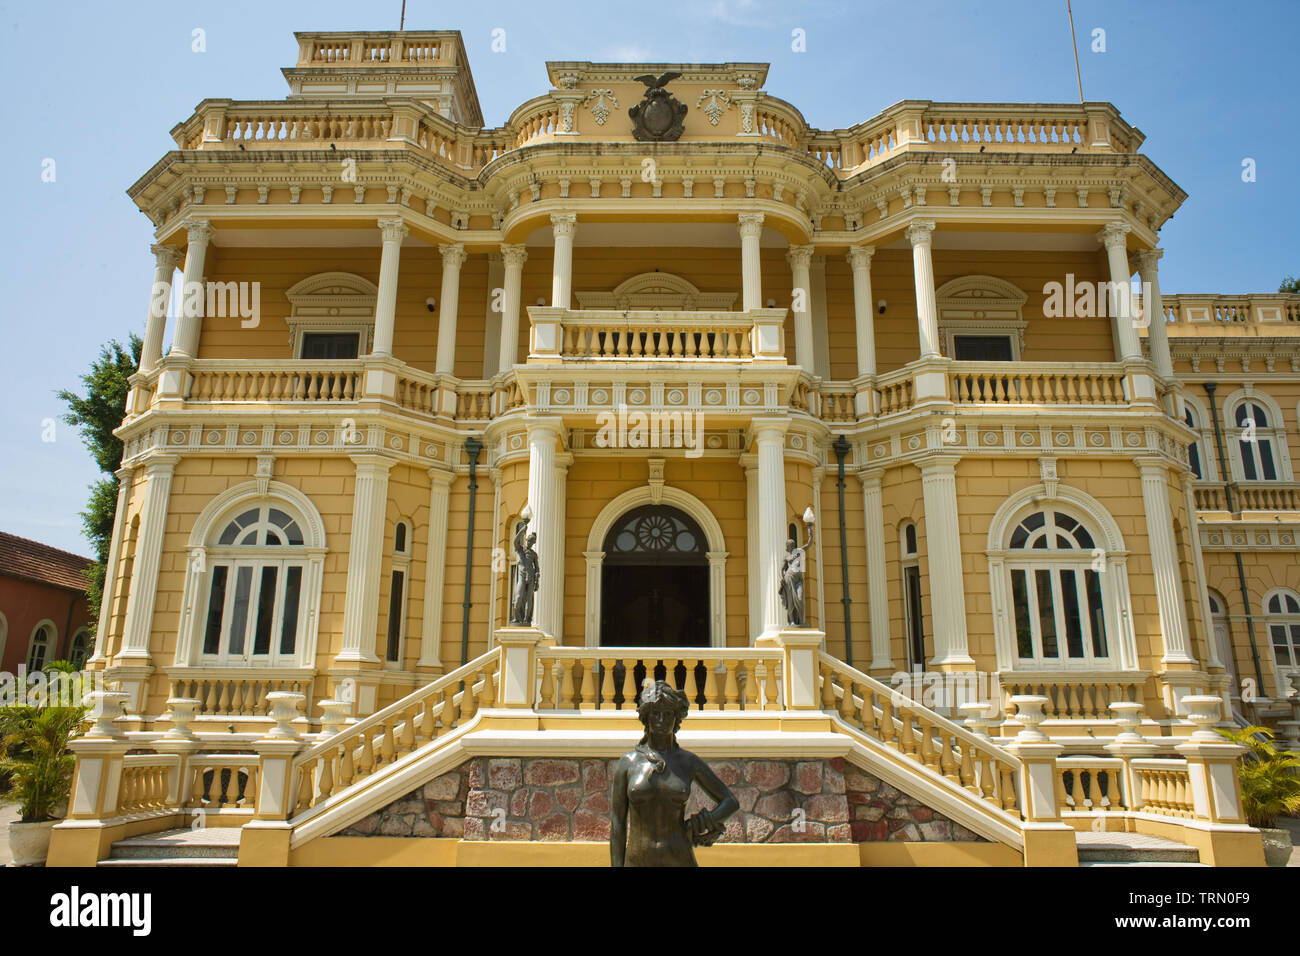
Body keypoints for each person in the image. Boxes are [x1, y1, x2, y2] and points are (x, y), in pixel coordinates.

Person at [610, 680, 739, 866]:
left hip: (679, 858)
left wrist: (706, 821)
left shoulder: (687, 762)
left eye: (668, 714)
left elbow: (730, 801)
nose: (661, 720)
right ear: (647, 717)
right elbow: (617, 824)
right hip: (638, 860)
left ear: (677, 718)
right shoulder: (628, 763)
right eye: (656, 714)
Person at [511, 519, 539, 626]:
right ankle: (516, 617)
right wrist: (522, 530)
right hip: (522, 576)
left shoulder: (533, 554)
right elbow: (515, 541)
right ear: (526, 540)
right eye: (529, 541)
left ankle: (527, 619)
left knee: (529, 600)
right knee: (518, 597)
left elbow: (537, 567)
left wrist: (537, 577)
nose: (530, 543)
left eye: (532, 542)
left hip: (531, 577)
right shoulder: (519, 550)